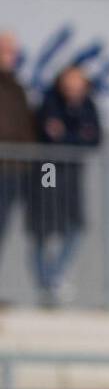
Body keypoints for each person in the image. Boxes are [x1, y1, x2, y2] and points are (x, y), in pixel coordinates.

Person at [29, 64, 101, 306]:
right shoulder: (50, 102)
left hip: (71, 173)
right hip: (48, 170)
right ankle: (45, 282)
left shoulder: (87, 105)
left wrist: (69, 136)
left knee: (76, 225)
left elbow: (94, 138)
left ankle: (55, 276)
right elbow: (51, 136)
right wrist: (76, 136)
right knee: (45, 224)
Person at [0, 32, 35, 279]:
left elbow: (26, 127)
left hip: (12, 170)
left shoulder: (17, 88)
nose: (8, 56)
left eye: (11, 51)